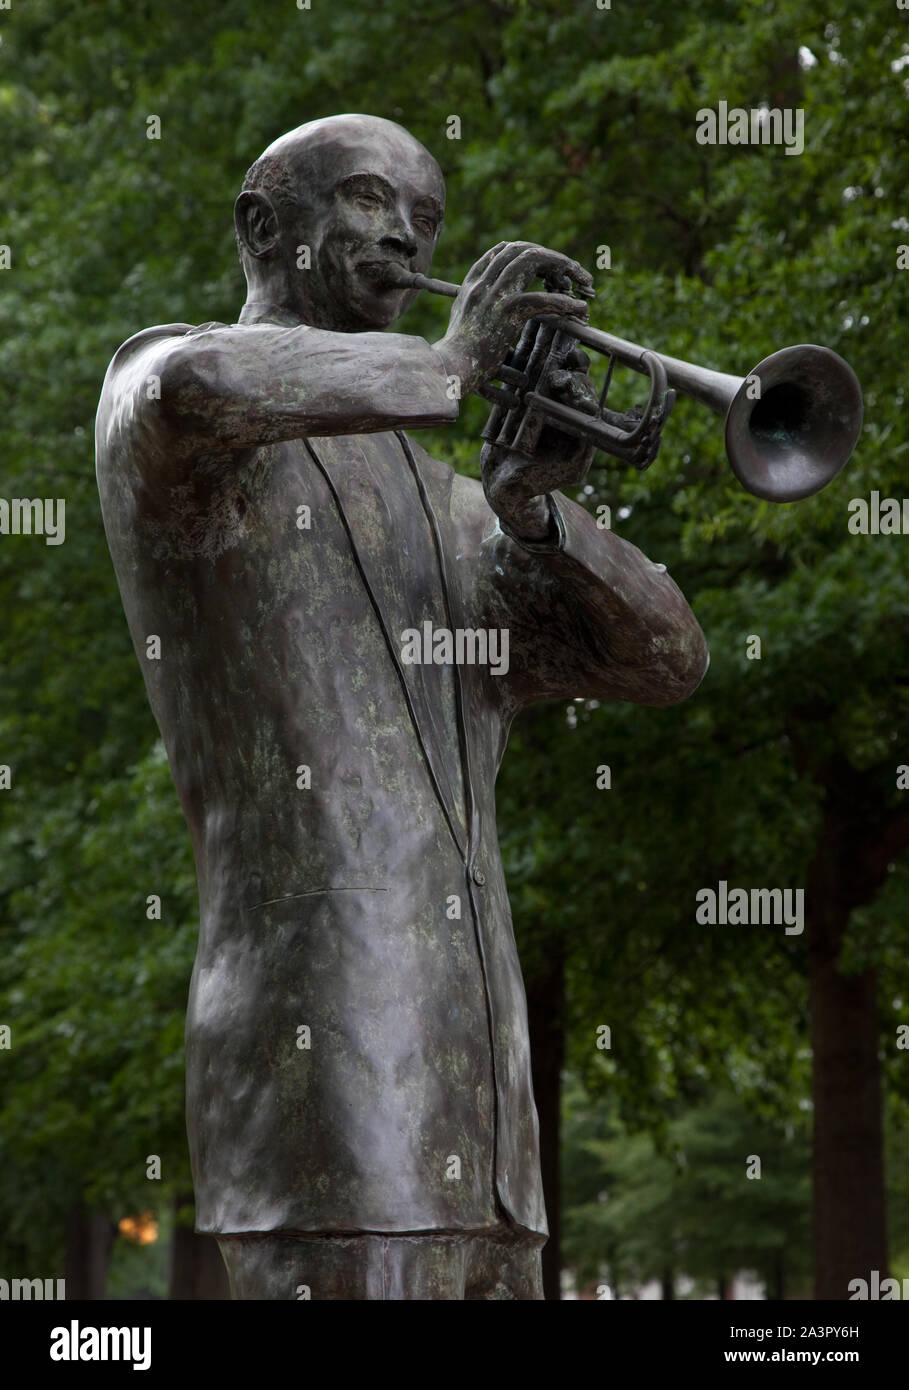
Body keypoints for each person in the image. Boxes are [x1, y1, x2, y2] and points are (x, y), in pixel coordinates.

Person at [95, 113, 709, 1300]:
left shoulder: (461, 507)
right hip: (323, 1085)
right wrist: (452, 362)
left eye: (425, 219)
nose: (403, 234)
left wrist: (538, 516)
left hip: (492, 1129)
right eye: (371, 200)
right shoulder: (167, 388)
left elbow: (667, 658)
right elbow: (199, 384)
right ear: (262, 225)